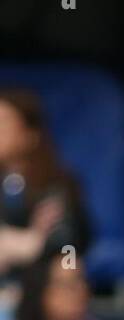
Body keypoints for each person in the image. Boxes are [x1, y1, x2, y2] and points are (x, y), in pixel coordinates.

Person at [0, 88, 89, 282]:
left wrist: (65, 275)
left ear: (30, 134)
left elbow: (69, 248)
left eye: (4, 124)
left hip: (36, 290)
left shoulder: (56, 185)